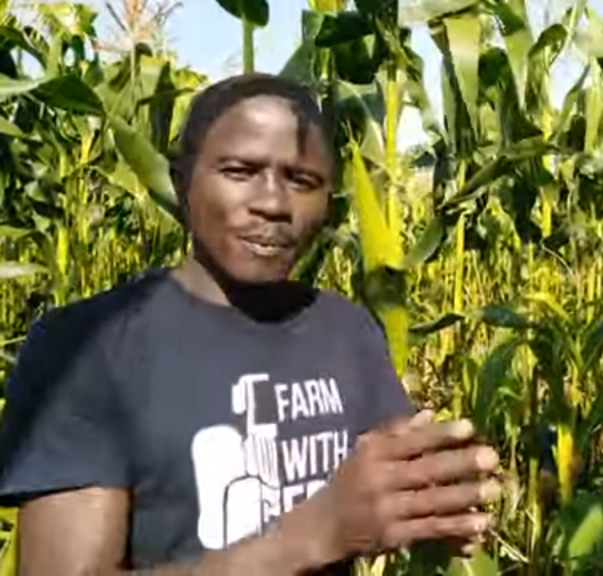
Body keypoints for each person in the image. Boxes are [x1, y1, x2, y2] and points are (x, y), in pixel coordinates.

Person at [0, 73, 501, 574]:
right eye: (240, 171)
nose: (273, 204)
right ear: (180, 184)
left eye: (302, 181)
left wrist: (436, 506)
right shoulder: (86, 347)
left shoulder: (348, 332)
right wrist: (309, 537)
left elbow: (394, 492)